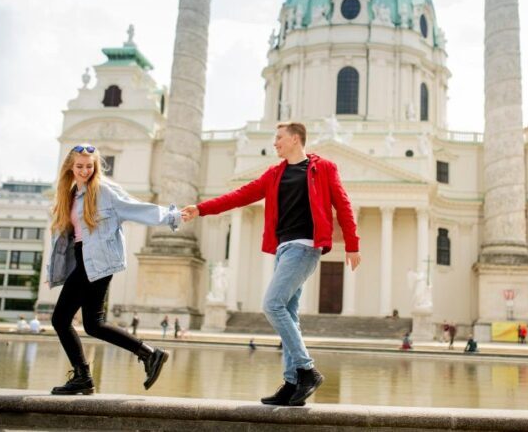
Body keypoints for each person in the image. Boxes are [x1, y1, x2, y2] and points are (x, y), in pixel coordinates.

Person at [182, 122, 360, 407]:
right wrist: (202, 208)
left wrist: (352, 244)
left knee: (272, 304)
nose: (275, 143)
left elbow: (343, 204)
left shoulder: (324, 168)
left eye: (279, 138)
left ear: (295, 139)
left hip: (305, 247)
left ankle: (307, 370)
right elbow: (240, 196)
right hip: (283, 249)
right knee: (289, 313)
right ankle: (292, 384)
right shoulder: (274, 174)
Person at [47, 143, 181, 396]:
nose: (85, 171)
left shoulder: (104, 190)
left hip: (97, 260)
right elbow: (68, 239)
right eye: (80, 166)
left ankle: (84, 376)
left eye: (89, 166)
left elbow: (135, 208)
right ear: (70, 167)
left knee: (61, 319)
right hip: (85, 260)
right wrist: (56, 270)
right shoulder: (72, 193)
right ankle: (148, 354)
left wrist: (172, 216)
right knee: (93, 324)